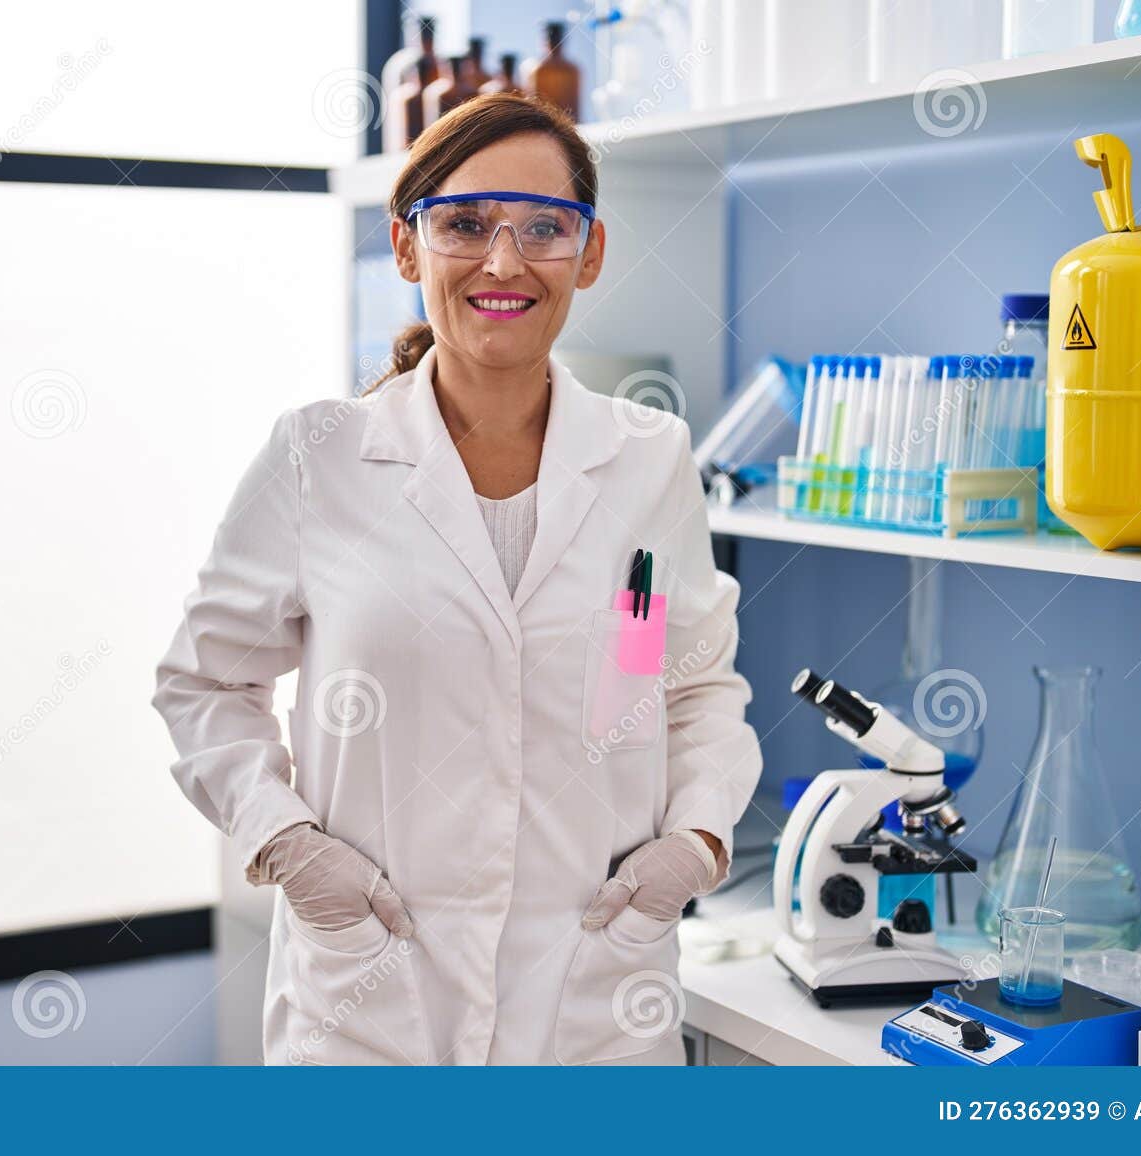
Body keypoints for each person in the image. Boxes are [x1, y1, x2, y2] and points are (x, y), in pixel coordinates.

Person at [152, 91, 761, 1066]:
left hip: (593, 1005)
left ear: (590, 253)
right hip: (370, 1006)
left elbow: (690, 687)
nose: (504, 261)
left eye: (544, 228)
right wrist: (294, 850)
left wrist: (690, 846)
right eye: (465, 224)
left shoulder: (648, 462)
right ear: (407, 248)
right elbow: (203, 683)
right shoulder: (322, 457)